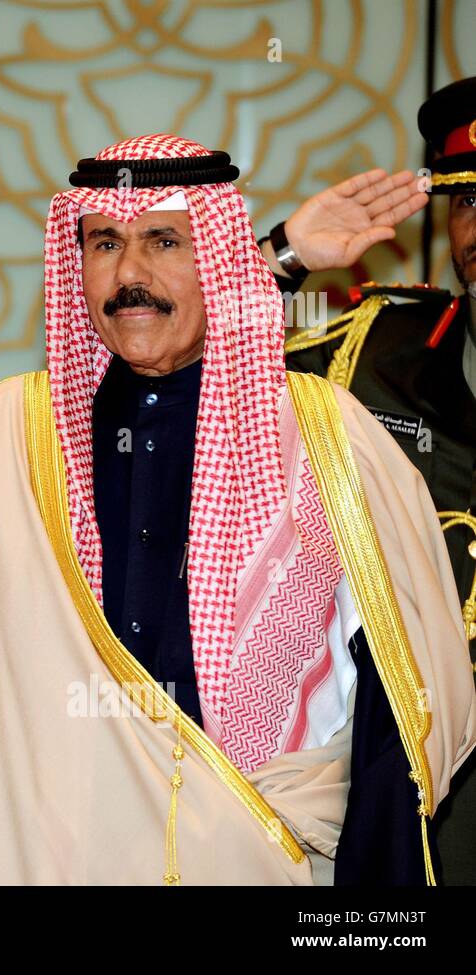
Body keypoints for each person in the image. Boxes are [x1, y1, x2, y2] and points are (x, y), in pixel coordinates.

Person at [0, 134, 476, 885]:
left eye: (164, 242)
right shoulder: (6, 436)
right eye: (105, 243)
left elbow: (401, 715)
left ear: (216, 256)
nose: (128, 275)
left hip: (266, 860)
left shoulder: (325, 433)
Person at [283, 76, 476, 883]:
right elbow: (177, 377)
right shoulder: (374, 354)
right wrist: (283, 259)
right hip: (407, 820)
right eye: (468, 201)